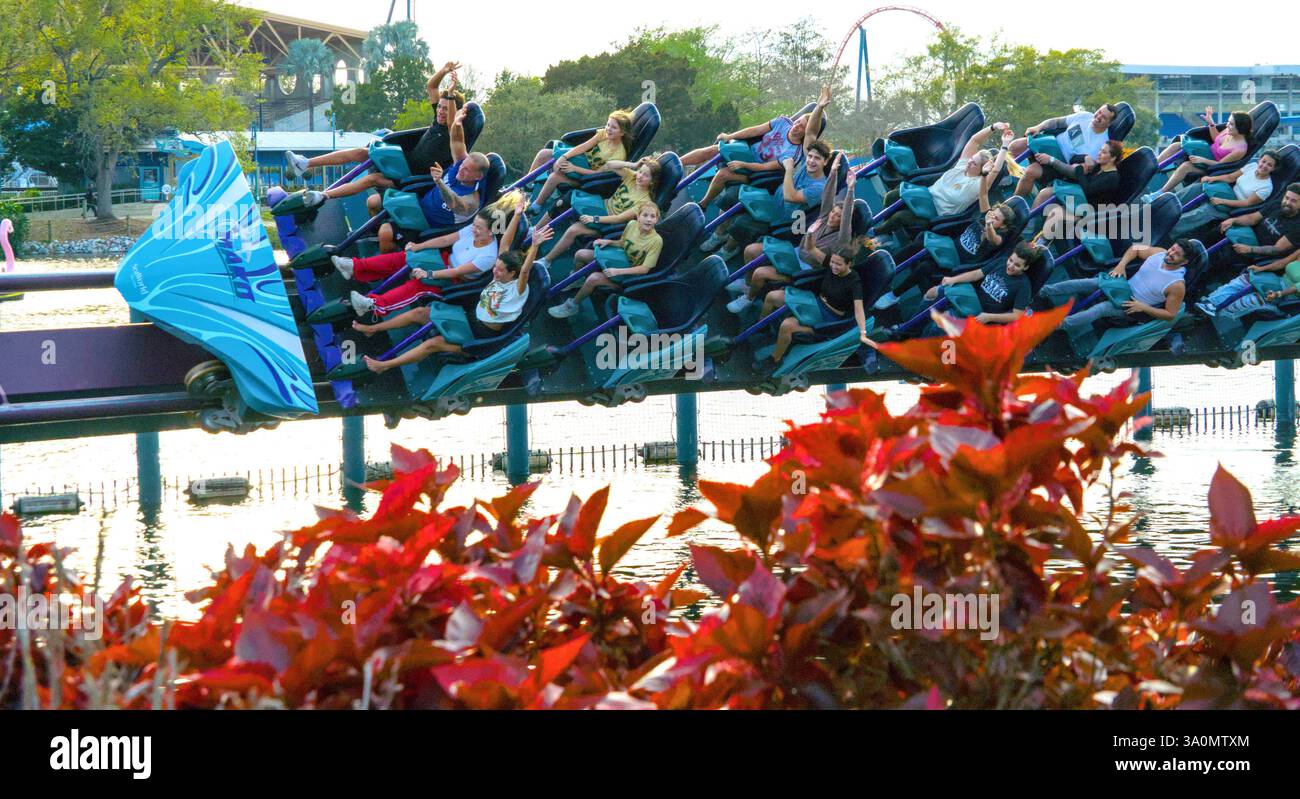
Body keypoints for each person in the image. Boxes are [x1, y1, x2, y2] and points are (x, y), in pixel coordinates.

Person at [352, 227, 553, 374]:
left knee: (432, 344)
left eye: (500, 270)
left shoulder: (517, 289)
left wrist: (535, 245)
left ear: (513, 274)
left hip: (481, 337)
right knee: (420, 313)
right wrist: (517, 214)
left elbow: (526, 270)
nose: (495, 271)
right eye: (495, 267)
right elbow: (505, 245)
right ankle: (373, 329)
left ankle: (383, 366)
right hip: (469, 318)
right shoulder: (499, 276)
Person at [285, 61, 464, 202]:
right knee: (363, 152)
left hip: (412, 178)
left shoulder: (453, 132)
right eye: (439, 107)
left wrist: (450, 91)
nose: (440, 111)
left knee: (372, 179)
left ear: (453, 113)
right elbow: (432, 87)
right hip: (404, 161)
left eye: (445, 109)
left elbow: (453, 122)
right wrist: (443, 71)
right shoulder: (437, 120)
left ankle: (323, 196)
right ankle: (305, 163)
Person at [873, 148, 1016, 310]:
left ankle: (894, 295)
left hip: (956, 262)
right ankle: (883, 273)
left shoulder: (997, 238)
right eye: (993, 214)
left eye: (996, 219)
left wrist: (989, 224)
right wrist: (1003, 147)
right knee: (916, 245)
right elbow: (984, 194)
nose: (991, 218)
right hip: (949, 245)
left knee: (924, 267)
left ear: (1003, 226)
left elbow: (991, 235)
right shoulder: (985, 214)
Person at [726, 153, 861, 314]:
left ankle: (749, 298)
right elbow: (828, 196)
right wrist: (833, 172)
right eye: (833, 213)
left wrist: (851, 188)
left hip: (804, 267)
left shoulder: (842, 239)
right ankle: (747, 285)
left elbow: (846, 217)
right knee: (751, 250)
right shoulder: (826, 216)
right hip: (796, 251)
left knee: (760, 273)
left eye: (838, 216)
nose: (833, 217)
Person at [342, 198, 522, 317]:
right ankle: (354, 267)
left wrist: (428, 274)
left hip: (452, 280)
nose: (473, 229)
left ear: (491, 232)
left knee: (417, 285)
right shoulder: (471, 230)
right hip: (442, 260)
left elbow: (456, 272)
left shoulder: (489, 255)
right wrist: (418, 246)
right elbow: (446, 239)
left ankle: (373, 305)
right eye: (474, 225)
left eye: (478, 228)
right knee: (404, 257)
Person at [681, 92, 829, 211]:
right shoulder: (783, 122)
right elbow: (755, 130)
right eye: (797, 122)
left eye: (802, 127)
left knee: (723, 174)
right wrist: (730, 136)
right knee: (714, 149)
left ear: (805, 132)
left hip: (756, 172)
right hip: (749, 152)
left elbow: (765, 168)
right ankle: (677, 162)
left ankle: (703, 205)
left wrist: (743, 165)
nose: (796, 126)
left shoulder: (794, 153)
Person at [373, 106, 489, 253]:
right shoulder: (461, 164)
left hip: (426, 224)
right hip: (417, 206)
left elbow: (455, 204)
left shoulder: (472, 199)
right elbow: (457, 141)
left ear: (478, 176)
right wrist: (457, 124)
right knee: (373, 202)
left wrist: (440, 182)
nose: (461, 169)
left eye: (467, 169)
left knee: (385, 233)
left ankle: (392, 263)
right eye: (462, 165)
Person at [873, 123, 1014, 237]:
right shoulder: (963, 165)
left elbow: (995, 170)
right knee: (891, 196)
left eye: (974, 163)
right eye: (972, 159)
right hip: (926, 195)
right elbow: (974, 140)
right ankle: (886, 228)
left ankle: (874, 234)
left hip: (936, 212)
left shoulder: (977, 185)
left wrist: (1005, 145)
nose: (970, 162)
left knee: (900, 217)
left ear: (981, 170)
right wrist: (993, 127)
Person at [754, 241, 871, 371]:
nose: (833, 266)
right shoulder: (832, 263)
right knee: (772, 297)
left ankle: (775, 359)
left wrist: (863, 332)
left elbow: (859, 310)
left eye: (838, 264)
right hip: (815, 301)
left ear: (849, 264)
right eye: (832, 262)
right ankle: (761, 326)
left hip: (828, 317)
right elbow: (811, 248)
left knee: (787, 326)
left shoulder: (855, 282)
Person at [1038, 240, 1192, 336]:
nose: (1170, 253)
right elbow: (1136, 248)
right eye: (1172, 249)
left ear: (1184, 262)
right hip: (1122, 285)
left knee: (1101, 309)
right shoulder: (1160, 253)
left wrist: (1143, 307)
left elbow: (1170, 314)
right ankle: (1043, 291)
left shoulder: (1177, 285)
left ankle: (1057, 325)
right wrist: (1121, 265)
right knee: (1087, 283)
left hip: (1131, 303)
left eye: (1176, 254)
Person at [534, 156, 662, 263]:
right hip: (600, 205)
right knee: (564, 201)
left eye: (645, 175)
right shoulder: (632, 177)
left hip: (607, 222)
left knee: (573, 230)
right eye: (640, 172)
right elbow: (610, 164)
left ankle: (546, 261)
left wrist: (594, 218)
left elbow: (619, 218)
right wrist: (633, 165)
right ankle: (535, 230)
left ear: (652, 181)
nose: (640, 176)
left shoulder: (645, 202)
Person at [548, 202, 663, 318]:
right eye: (645, 215)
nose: (648, 219)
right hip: (618, 259)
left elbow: (645, 269)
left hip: (629, 276)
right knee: (580, 254)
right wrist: (609, 242)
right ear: (638, 217)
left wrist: (617, 271)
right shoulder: (632, 224)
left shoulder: (656, 241)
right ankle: (577, 280)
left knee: (593, 278)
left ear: (657, 220)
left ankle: (572, 306)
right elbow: (623, 243)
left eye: (652, 217)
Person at [527, 110, 635, 215]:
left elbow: (598, 174)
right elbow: (584, 147)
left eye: (614, 127)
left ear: (622, 132)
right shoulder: (603, 134)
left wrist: (574, 168)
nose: (608, 129)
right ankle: (527, 186)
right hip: (582, 161)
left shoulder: (619, 155)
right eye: (608, 125)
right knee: (544, 154)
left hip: (587, 178)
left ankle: (535, 207)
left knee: (554, 177)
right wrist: (564, 156)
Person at [1008, 104, 1120, 197]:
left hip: (1059, 163)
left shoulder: (1101, 145)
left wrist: (1052, 160)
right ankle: (999, 175)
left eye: (1104, 117)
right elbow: (1056, 122)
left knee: (1031, 171)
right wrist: (1039, 127)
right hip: (1050, 143)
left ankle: (1012, 207)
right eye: (1099, 112)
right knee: (1014, 146)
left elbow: (1075, 172)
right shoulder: (1085, 116)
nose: (1098, 116)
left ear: (1109, 123)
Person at [1169, 150, 1278, 238]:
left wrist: (1222, 201)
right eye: (1263, 161)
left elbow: (1246, 203)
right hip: (1225, 191)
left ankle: (1167, 227)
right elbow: (1231, 177)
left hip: (1232, 207)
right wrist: (1211, 178)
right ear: (1260, 160)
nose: (1264, 166)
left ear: (1273, 168)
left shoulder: (1266, 187)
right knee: (1196, 188)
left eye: (1269, 165)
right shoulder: (1252, 166)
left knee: (1203, 212)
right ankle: (1167, 206)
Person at [1035, 140, 1125, 240]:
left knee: (1056, 213)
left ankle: (1040, 244)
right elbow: (1073, 159)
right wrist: (1086, 157)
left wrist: (1079, 170)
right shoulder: (1099, 167)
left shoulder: (1112, 178)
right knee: (1045, 193)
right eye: (1100, 150)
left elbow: (1087, 190)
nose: (1099, 153)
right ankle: (1029, 225)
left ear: (1113, 158)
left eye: (1104, 152)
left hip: (1088, 214)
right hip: (1077, 201)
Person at [1151, 107, 1252, 195]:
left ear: (1240, 127)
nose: (1227, 126)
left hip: (1211, 167)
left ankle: (1160, 193)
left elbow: (1219, 165)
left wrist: (1202, 160)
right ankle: (1152, 167)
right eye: (1228, 122)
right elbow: (1216, 138)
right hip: (1206, 153)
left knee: (1186, 166)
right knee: (1176, 145)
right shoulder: (1229, 132)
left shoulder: (1240, 149)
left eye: (1231, 124)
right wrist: (1211, 123)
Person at [1212, 183, 1300, 272]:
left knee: (1226, 256)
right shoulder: (1277, 204)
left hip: (1260, 251)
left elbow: (1277, 249)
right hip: (1249, 235)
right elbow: (1253, 218)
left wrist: (1250, 249)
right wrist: (1233, 220)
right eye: (1286, 198)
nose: (1287, 202)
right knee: (1218, 229)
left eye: (1293, 201)